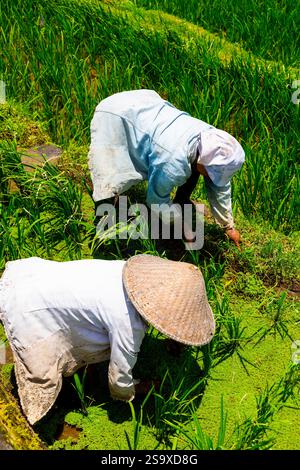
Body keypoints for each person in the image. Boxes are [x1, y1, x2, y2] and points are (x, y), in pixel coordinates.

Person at [0, 254, 215, 425]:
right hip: (32, 313)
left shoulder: (126, 271)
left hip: (31, 280)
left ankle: (6, 354)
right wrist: (141, 387)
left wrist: (174, 336)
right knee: (36, 360)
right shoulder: (129, 325)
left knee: (78, 329)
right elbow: (118, 381)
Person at [88, 89, 245, 247]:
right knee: (109, 170)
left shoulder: (211, 141)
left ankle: (181, 200)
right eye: (211, 173)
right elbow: (156, 200)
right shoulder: (172, 161)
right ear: (203, 160)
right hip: (116, 114)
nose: (211, 178)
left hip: (145, 108)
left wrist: (228, 226)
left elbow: (219, 185)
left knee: (193, 169)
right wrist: (181, 225)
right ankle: (106, 222)